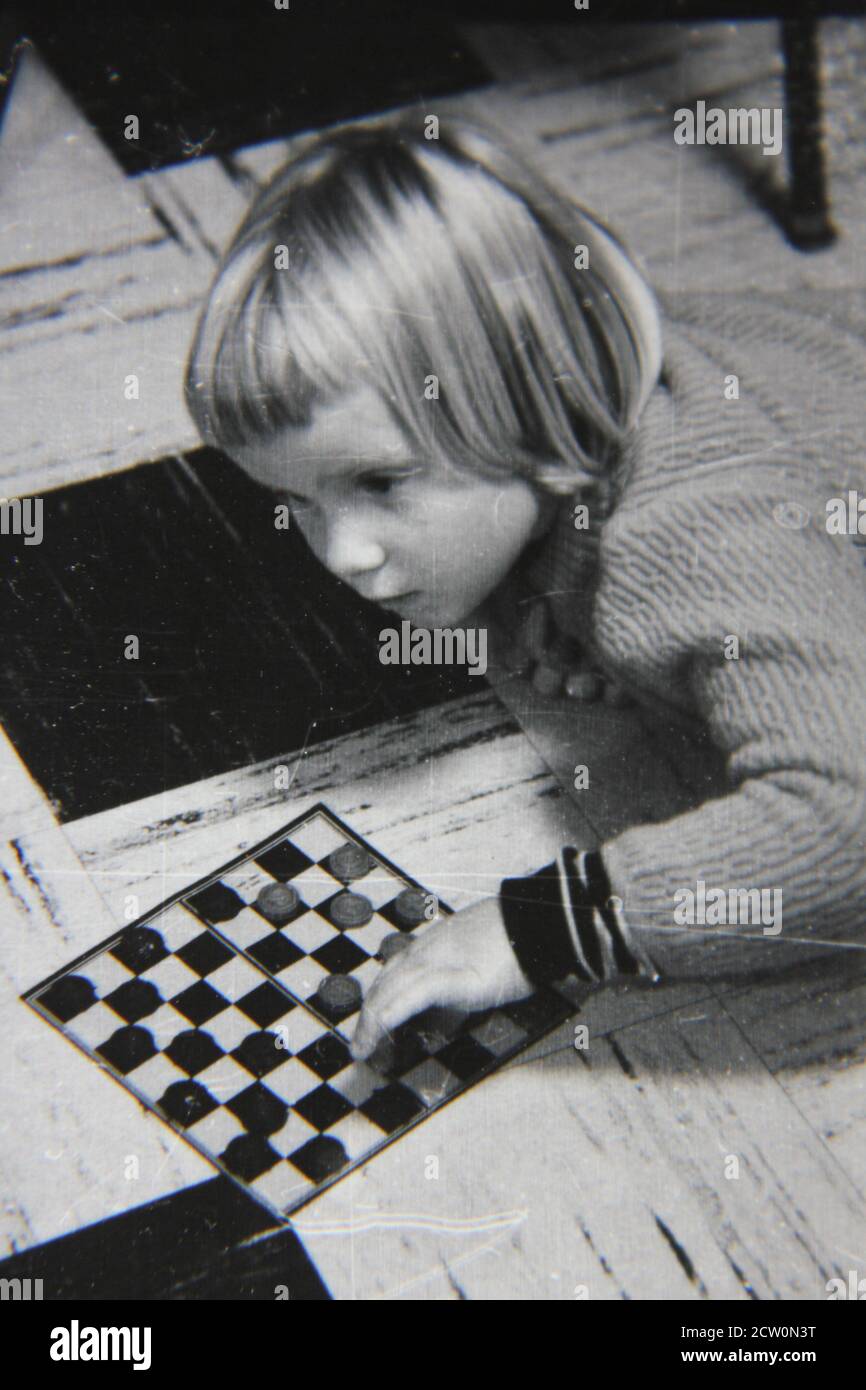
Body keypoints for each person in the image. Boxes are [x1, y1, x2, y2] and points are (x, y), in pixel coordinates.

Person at [184, 114, 866, 1062]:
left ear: (533, 414)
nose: (341, 554)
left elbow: (848, 826)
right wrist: (545, 595)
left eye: (380, 484)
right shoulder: (568, 378)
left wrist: (537, 929)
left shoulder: (695, 535)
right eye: (295, 500)